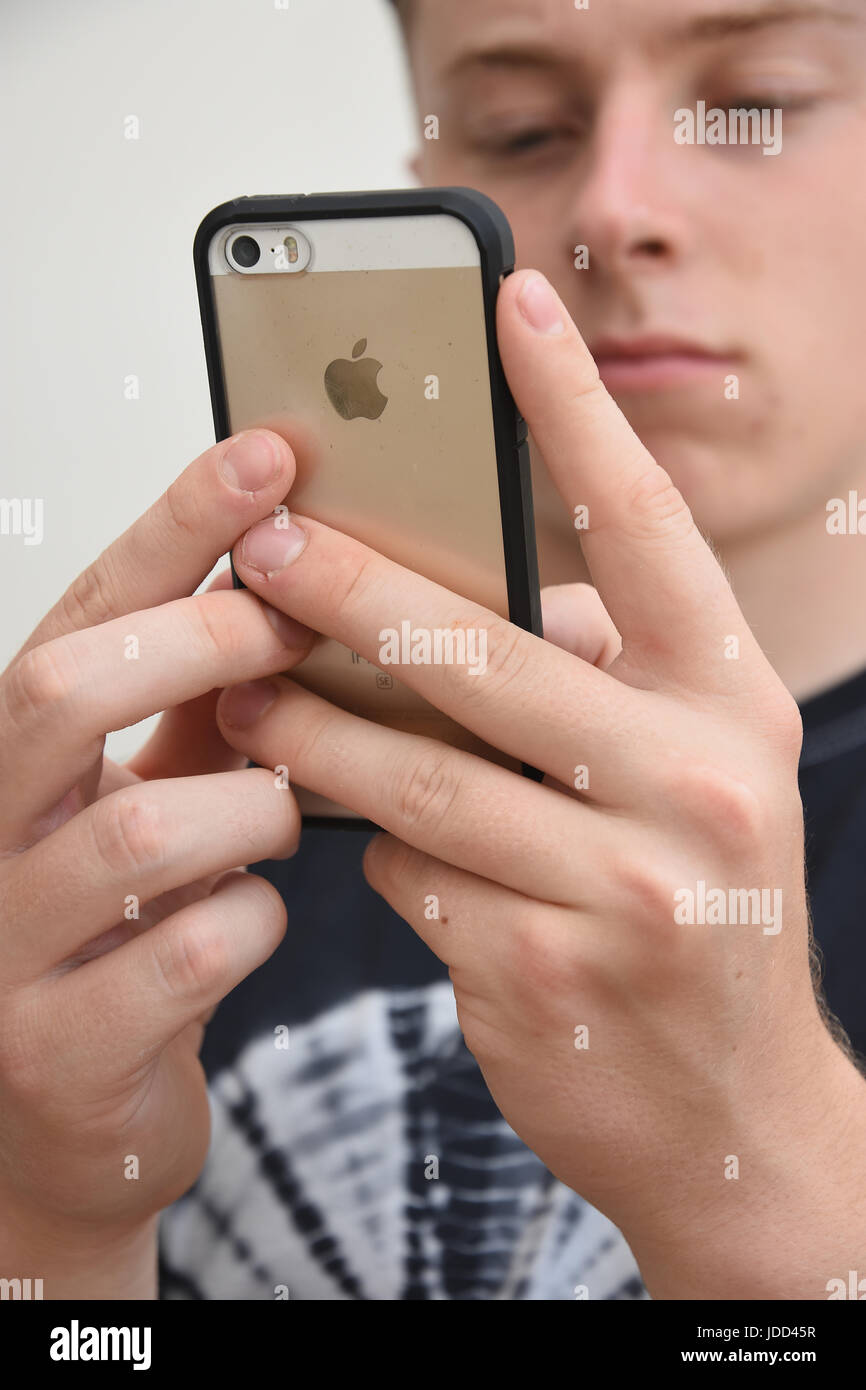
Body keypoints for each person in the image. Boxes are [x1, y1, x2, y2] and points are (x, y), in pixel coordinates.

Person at [1, 0, 865, 1301]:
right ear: (433, 187)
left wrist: (757, 1164)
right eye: (524, 127)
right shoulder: (156, 874)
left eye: (759, 103)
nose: (613, 206)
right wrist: (52, 1235)